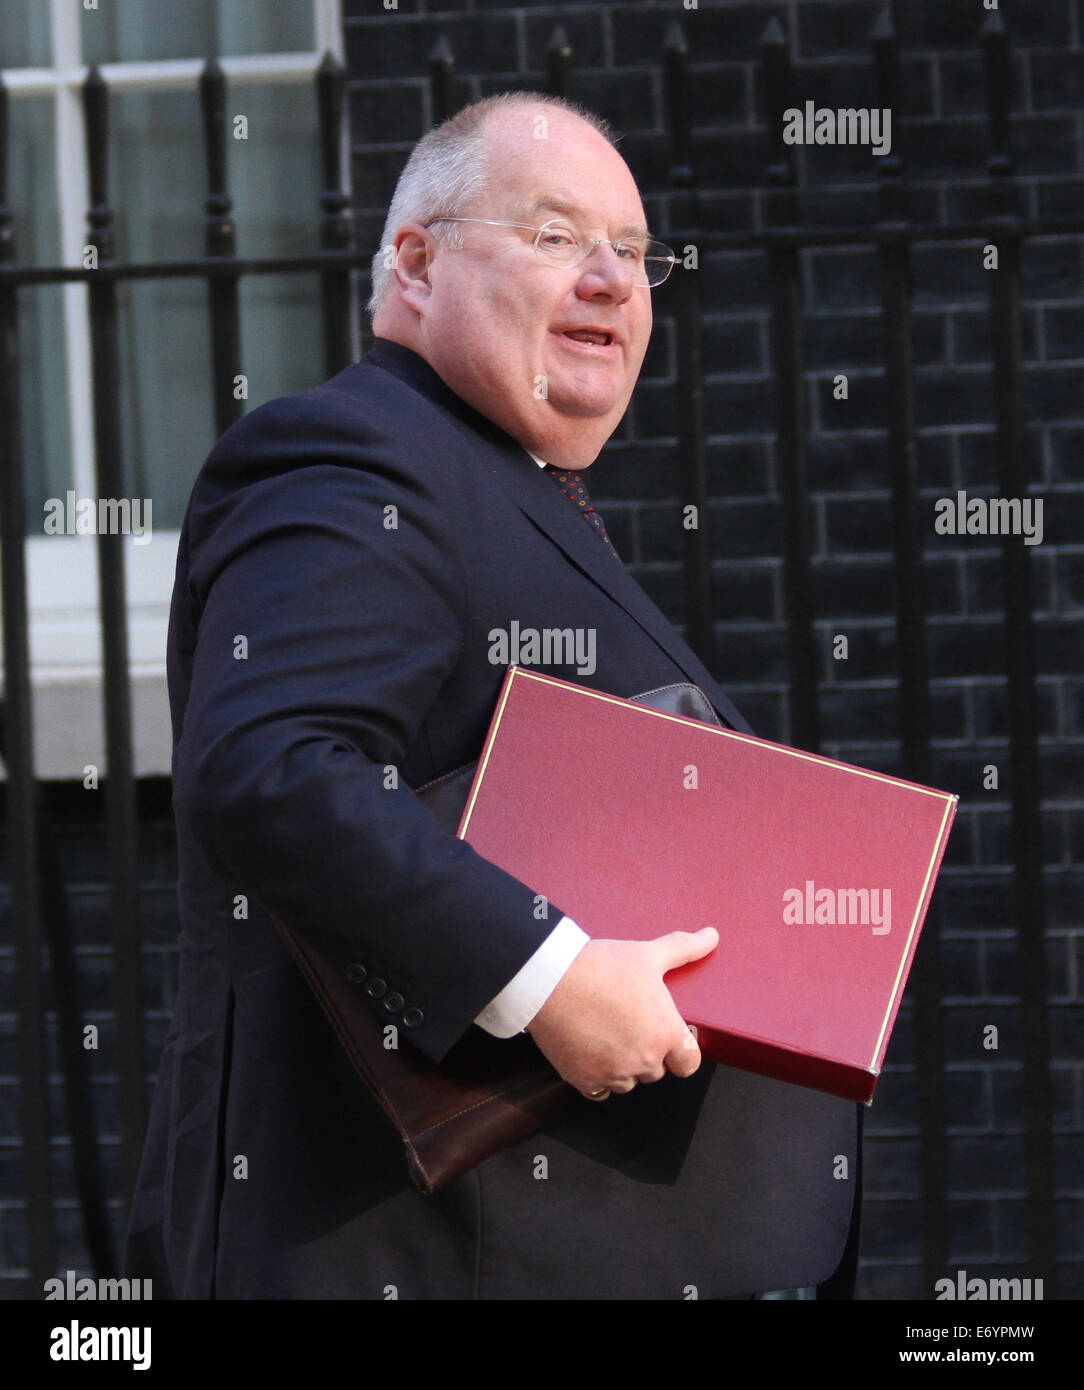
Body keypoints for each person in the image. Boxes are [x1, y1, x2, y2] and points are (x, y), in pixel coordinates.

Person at [124, 91, 860, 1300]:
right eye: (556, 234)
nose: (614, 280)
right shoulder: (356, 453)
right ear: (414, 262)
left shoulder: (497, 488)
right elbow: (272, 763)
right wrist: (551, 976)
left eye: (635, 252)